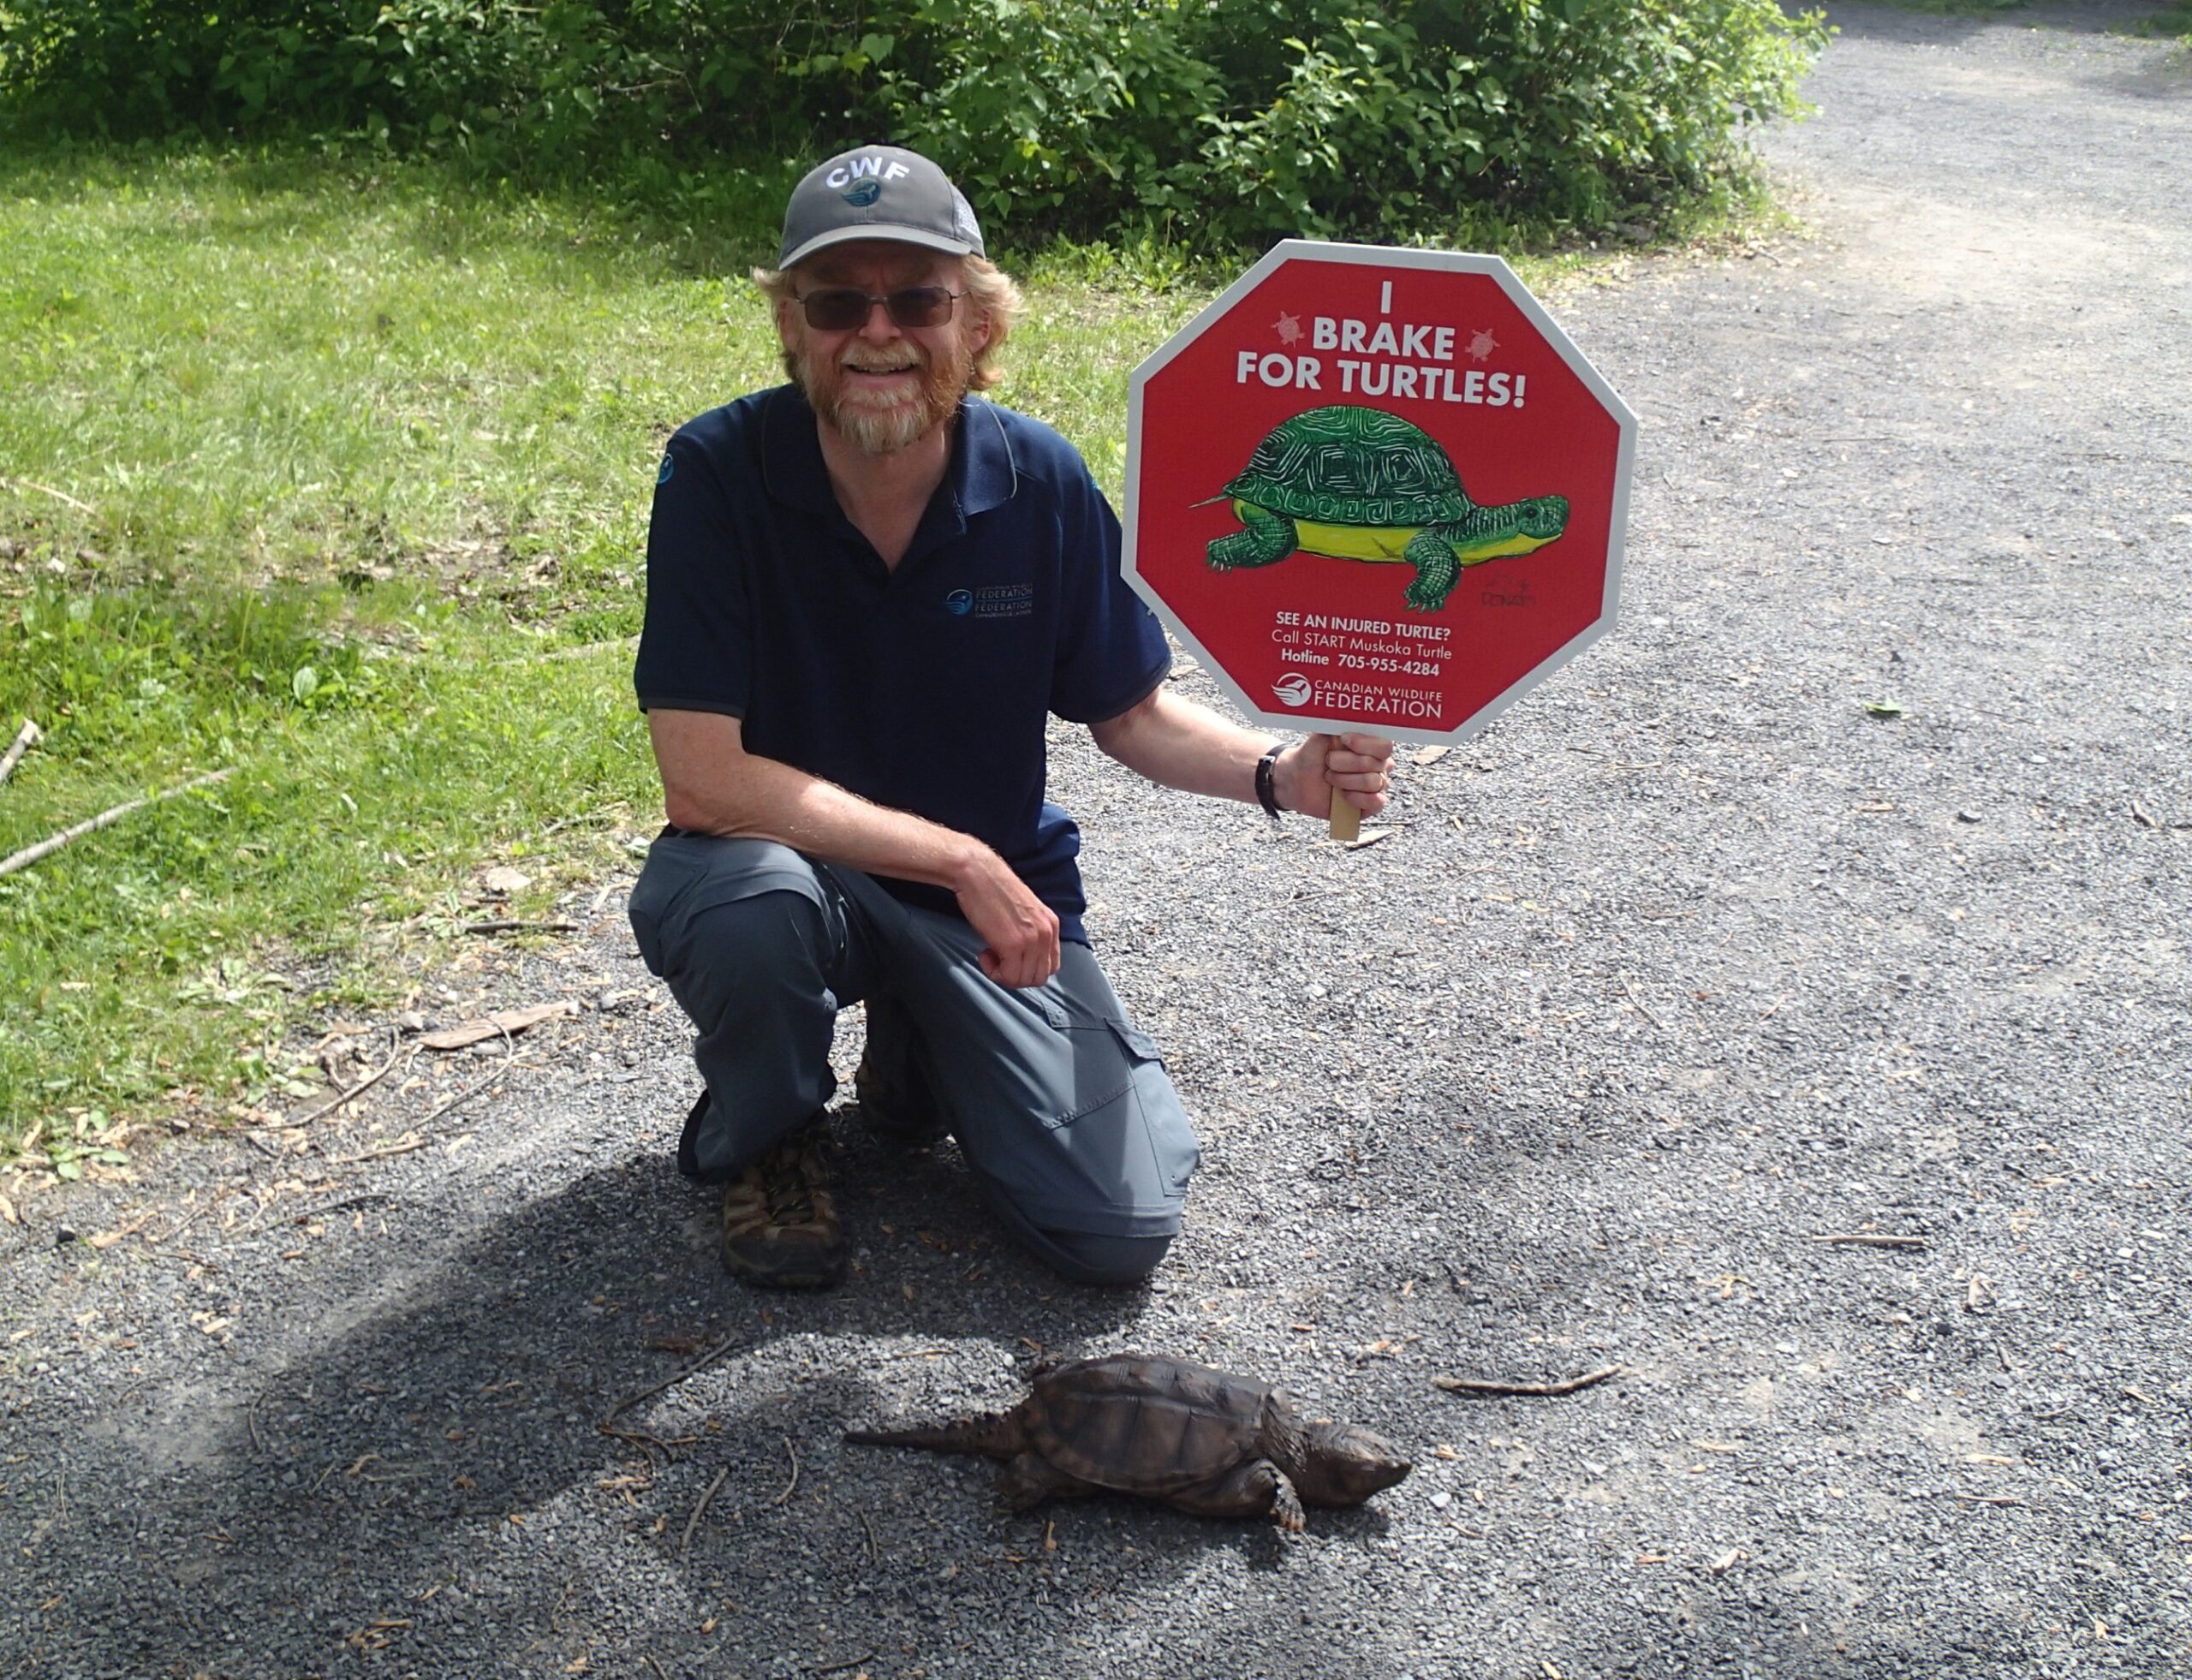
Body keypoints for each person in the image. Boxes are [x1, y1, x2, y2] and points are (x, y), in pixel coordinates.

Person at [628, 144, 1395, 1292]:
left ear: (979, 323)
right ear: (792, 325)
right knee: (748, 908)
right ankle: (774, 1131)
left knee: (1117, 1226)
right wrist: (960, 856)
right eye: (836, 302)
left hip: (986, 916)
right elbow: (704, 778)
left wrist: (1282, 772)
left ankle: (921, 1048)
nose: (877, 332)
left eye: (918, 300)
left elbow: (1130, 712)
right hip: (798, 879)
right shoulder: (716, 472)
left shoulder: (1040, 478)